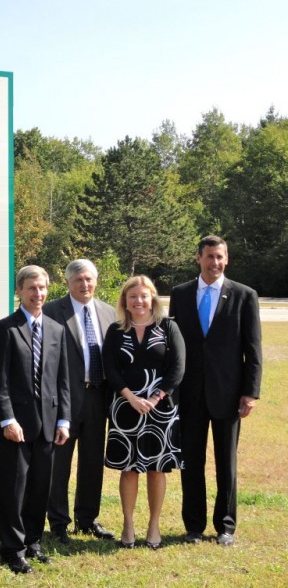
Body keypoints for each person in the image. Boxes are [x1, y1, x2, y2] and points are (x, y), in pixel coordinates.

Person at [169, 235, 262, 546]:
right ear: (199, 258)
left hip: (229, 394)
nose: (215, 262)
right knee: (191, 462)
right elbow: (174, 345)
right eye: (209, 256)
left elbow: (253, 349)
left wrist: (250, 392)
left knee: (226, 464)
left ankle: (226, 526)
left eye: (220, 257)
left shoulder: (244, 295)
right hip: (189, 394)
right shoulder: (180, 294)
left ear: (227, 258)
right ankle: (193, 526)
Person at [0, 265, 71, 574]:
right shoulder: (6, 329)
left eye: (42, 287)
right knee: (14, 488)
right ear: (19, 291)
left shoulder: (56, 329)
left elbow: (63, 379)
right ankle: (12, 548)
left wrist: (63, 420)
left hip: (48, 424)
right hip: (16, 426)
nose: (38, 293)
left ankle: (33, 541)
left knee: (40, 487)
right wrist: (7, 420)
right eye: (32, 288)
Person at [103, 275, 185, 549]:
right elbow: (110, 368)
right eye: (132, 296)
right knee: (128, 469)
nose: (138, 301)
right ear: (125, 301)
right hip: (125, 407)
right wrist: (130, 397)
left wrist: (154, 398)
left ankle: (154, 525)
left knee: (156, 469)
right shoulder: (115, 330)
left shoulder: (169, 327)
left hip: (160, 409)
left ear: (152, 299)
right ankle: (128, 526)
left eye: (143, 296)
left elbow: (177, 368)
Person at [44, 259, 116, 544]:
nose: (85, 285)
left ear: (95, 281)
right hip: (65, 399)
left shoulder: (109, 312)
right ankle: (58, 522)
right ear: (68, 283)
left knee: (92, 462)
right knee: (59, 463)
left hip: (99, 397)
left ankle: (87, 519)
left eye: (89, 279)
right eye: (78, 280)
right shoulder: (52, 312)